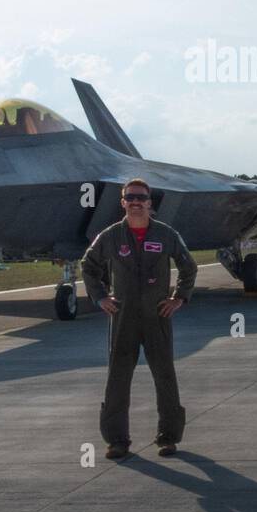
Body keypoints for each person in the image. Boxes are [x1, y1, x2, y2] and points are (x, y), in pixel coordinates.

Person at [81, 178, 198, 460]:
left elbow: (188, 266)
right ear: (123, 202)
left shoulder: (166, 234)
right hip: (123, 317)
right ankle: (117, 441)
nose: (135, 202)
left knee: (165, 376)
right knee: (118, 378)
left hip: (157, 315)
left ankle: (168, 438)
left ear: (149, 202)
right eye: (130, 197)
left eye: (141, 198)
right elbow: (88, 265)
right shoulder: (110, 236)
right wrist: (100, 297)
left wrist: (179, 298)